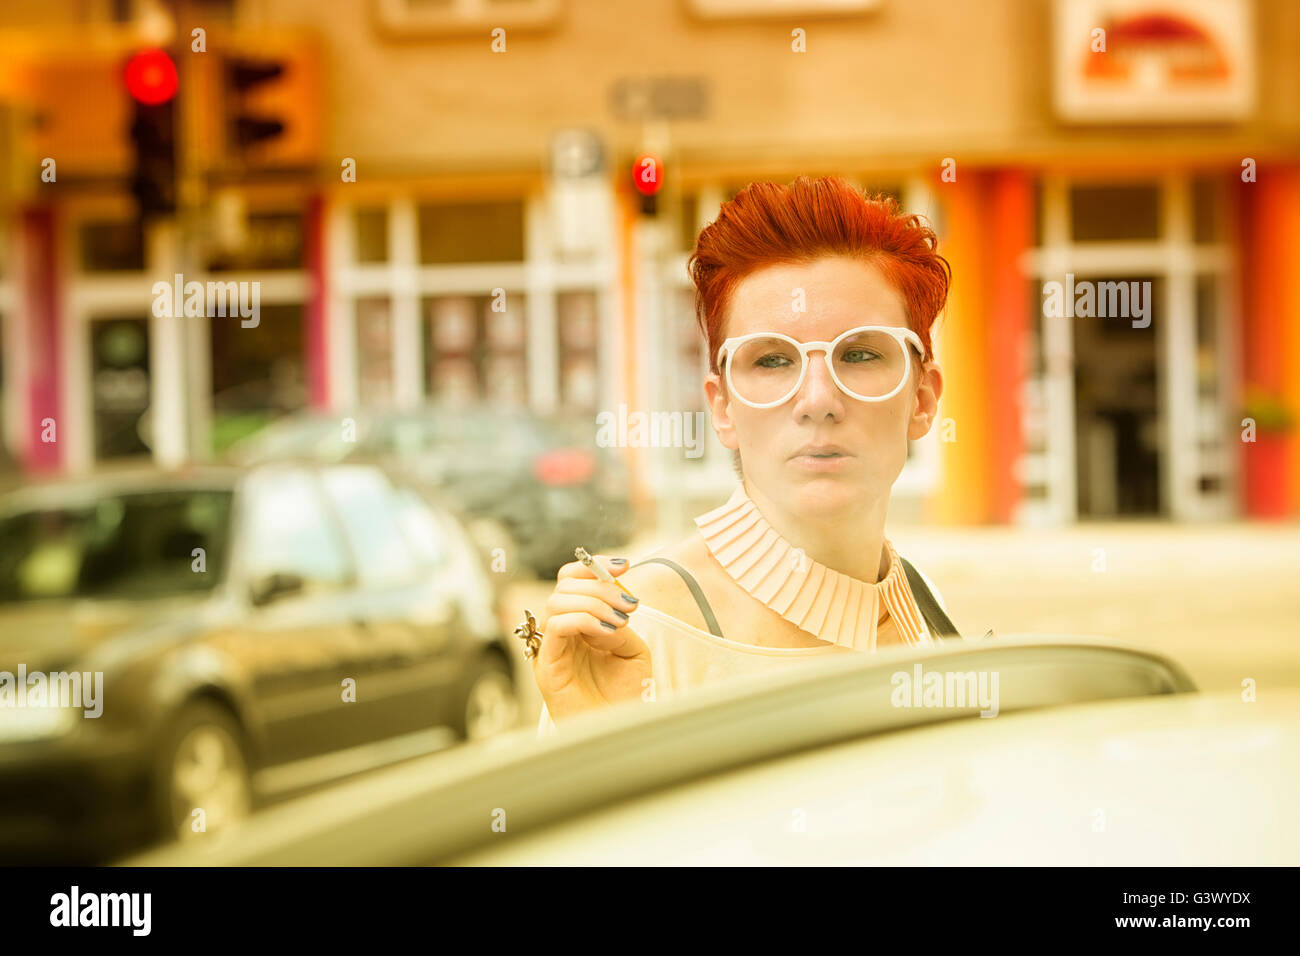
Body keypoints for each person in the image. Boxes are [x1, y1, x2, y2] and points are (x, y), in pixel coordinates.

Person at [528, 176, 962, 733]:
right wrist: (594, 740)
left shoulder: (923, 603)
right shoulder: (640, 632)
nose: (818, 400)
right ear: (723, 407)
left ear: (922, 399)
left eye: (859, 353)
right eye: (772, 361)